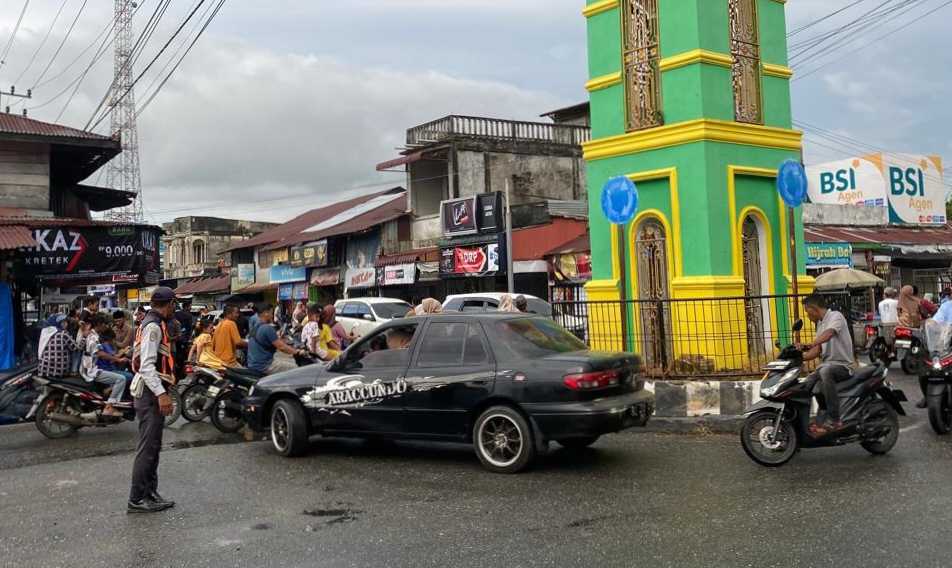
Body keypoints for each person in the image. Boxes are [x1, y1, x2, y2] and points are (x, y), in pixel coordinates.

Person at [128, 287, 177, 514]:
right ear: (168, 304)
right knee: (147, 448)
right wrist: (161, 394)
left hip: (151, 391)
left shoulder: (153, 322)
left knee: (154, 446)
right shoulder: (153, 326)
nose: (174, 309)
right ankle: (137, 498)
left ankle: (149, 491)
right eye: (174, 305)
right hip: (149, 393)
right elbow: (147, 366)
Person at [799, 294, 855, 437]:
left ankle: (834, 419)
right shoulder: (819, 324)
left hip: (842, 366)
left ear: (813, 308)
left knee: (825, 371)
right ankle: (799, 426)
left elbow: (829, 334)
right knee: (805, 385)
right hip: (826, 366)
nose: (807, 315)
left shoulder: (836, 316)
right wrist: (798, 358)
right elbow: (817, 350)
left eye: (806, 311)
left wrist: (811, 342)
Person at [80, 314, 129, 418]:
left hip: (90, 368)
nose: (106, 327)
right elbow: (101, 353)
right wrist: (118, 359)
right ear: (98, 324)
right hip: (91, 371)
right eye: (104, 324)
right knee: (121, 379)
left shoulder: (93, 336)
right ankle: (109, 407)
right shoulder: (93, 337)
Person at [246, 303, 308, 375]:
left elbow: (268, 341)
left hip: (253, 364)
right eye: (271, 313)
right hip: (264, 365)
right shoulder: (267, 328)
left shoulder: (255, 327)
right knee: (295, 368)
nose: (272, 316)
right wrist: (297, 352)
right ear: (266, 313)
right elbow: (281, 347)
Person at [37, 314, 79, 379]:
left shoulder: (47, 334)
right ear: (58, 323)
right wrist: (84, 337)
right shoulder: (63, 334)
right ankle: (74, 371)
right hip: (58, 372)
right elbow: (77, 348)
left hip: (43, 370)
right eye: (64, 322)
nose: (66, 324)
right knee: (76, 353)